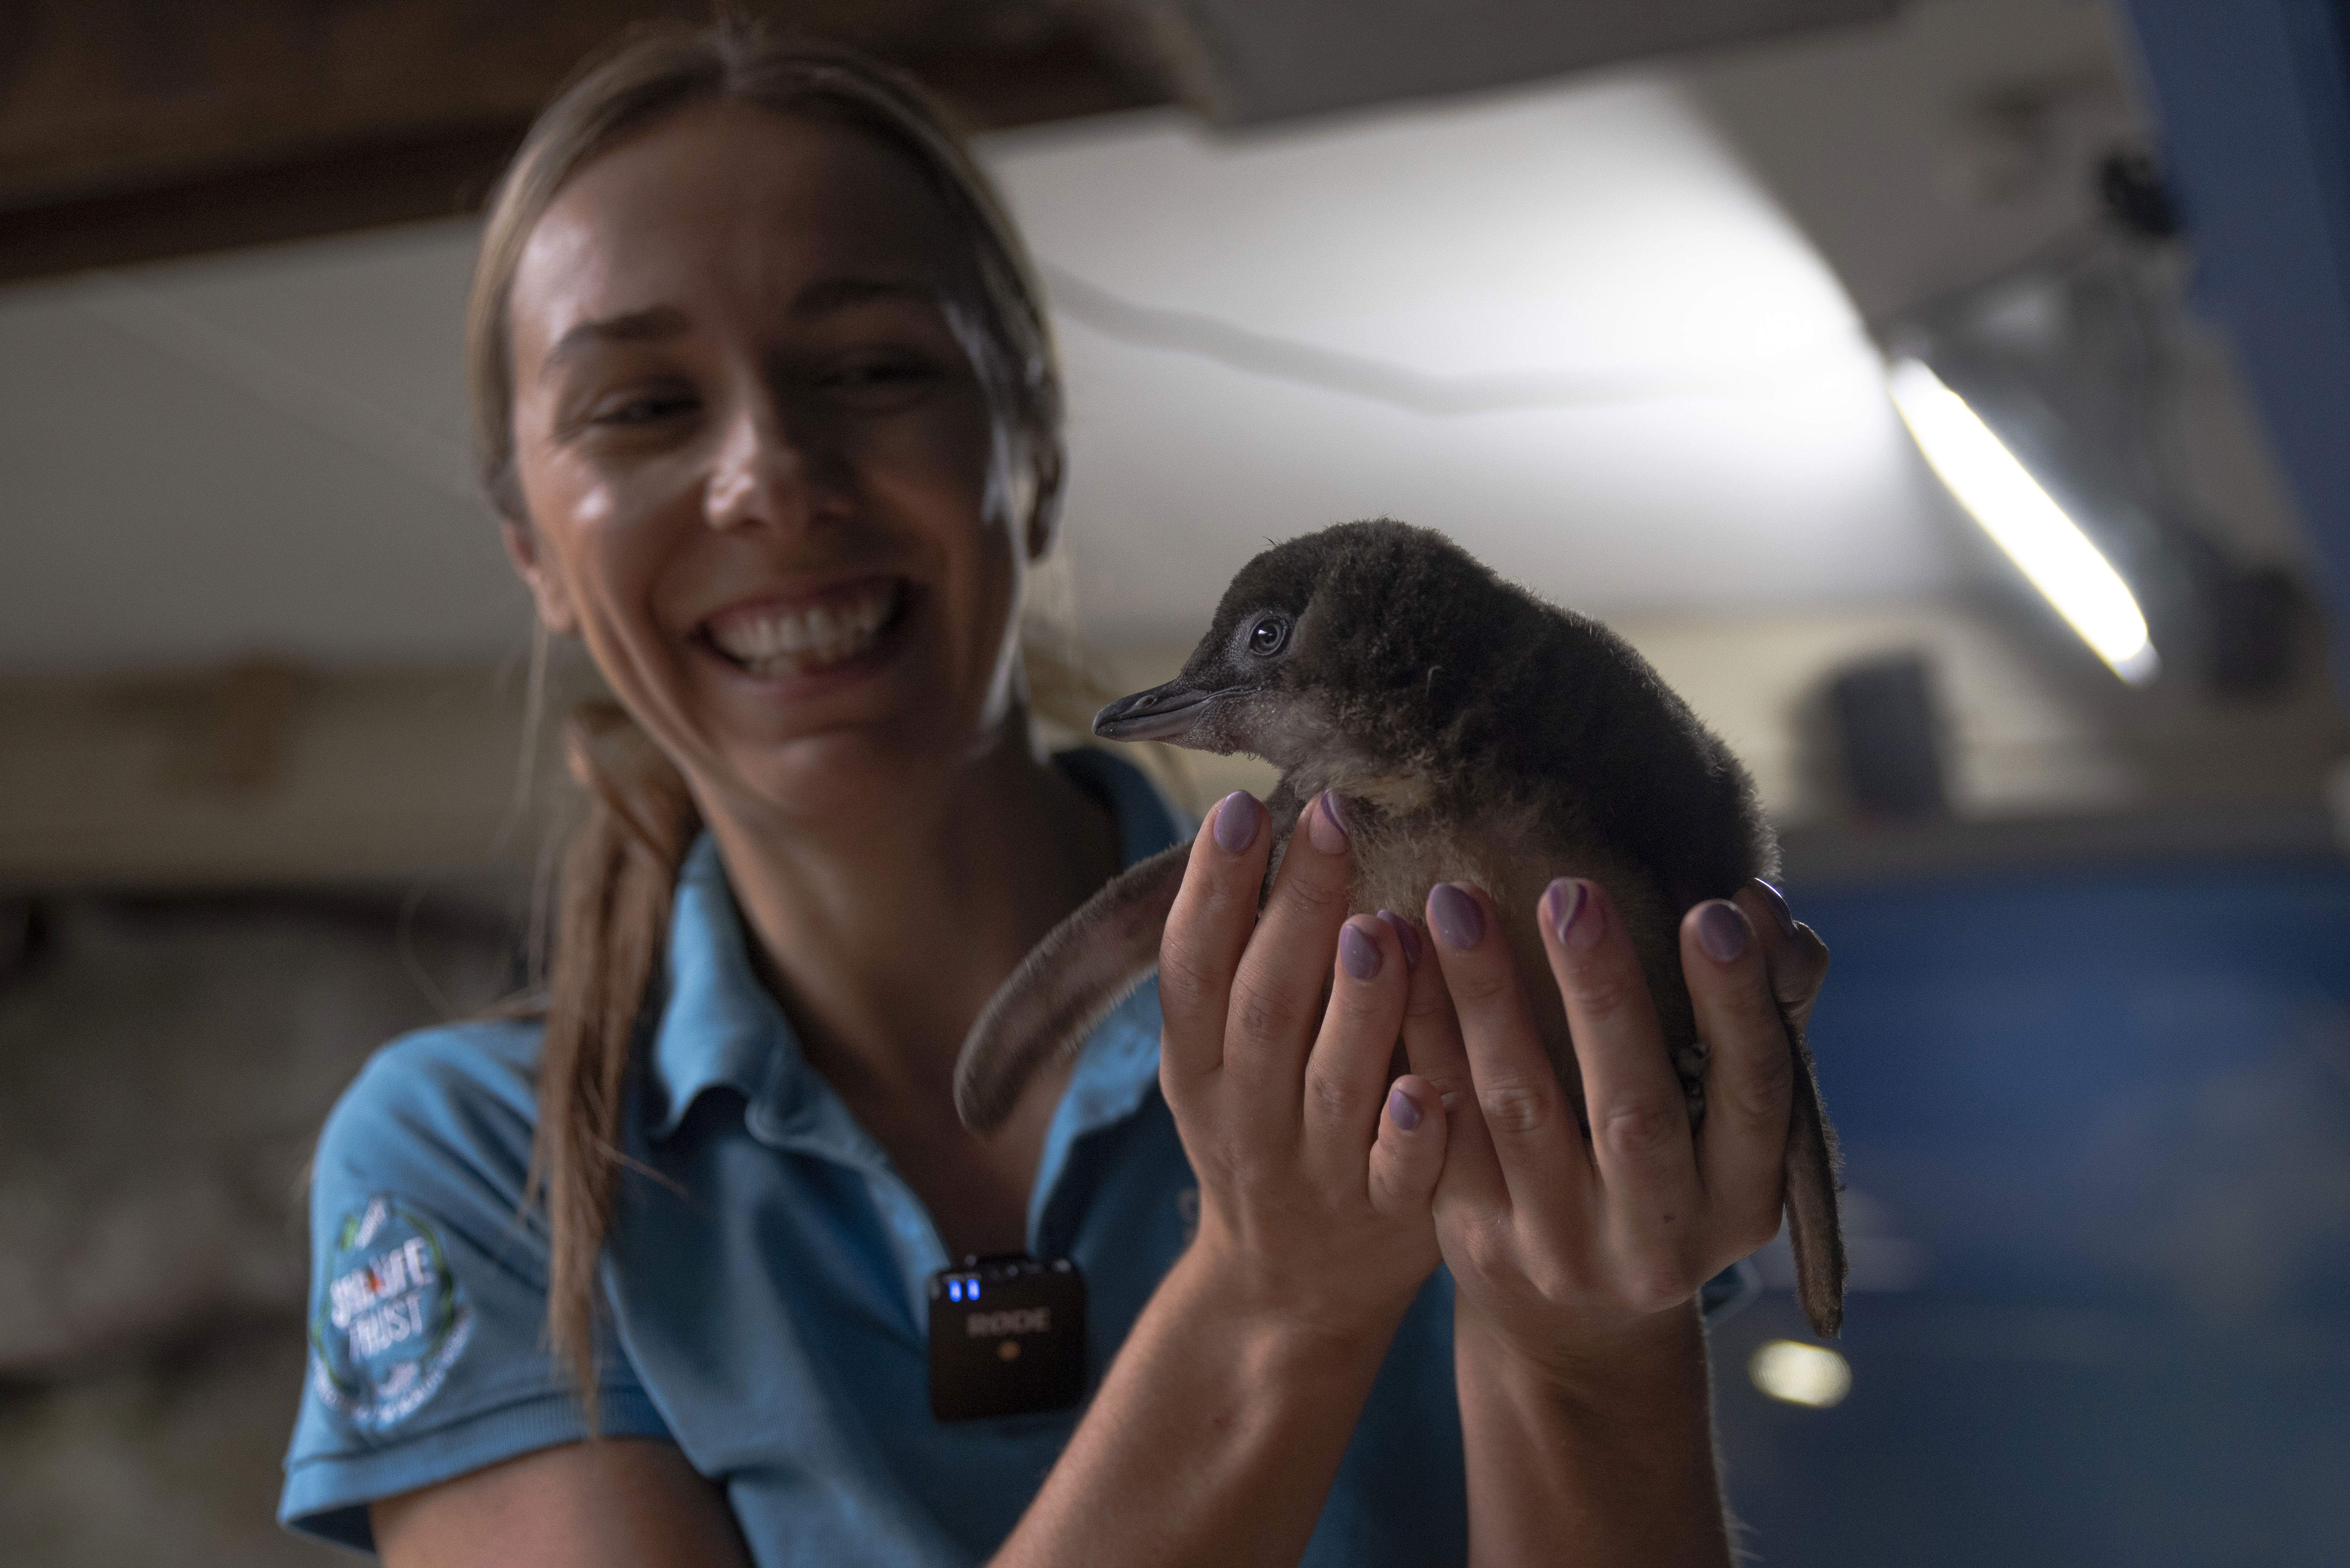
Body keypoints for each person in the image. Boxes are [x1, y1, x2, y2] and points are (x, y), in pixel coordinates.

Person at [280, 22, 1831, 1567]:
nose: (771, 474)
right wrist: (1271, 1301)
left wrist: (1584, 1348)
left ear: (1032, 447)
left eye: (872, 368)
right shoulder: (483, 1167)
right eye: (640, 406)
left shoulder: (1439, 954)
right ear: (534, 549)